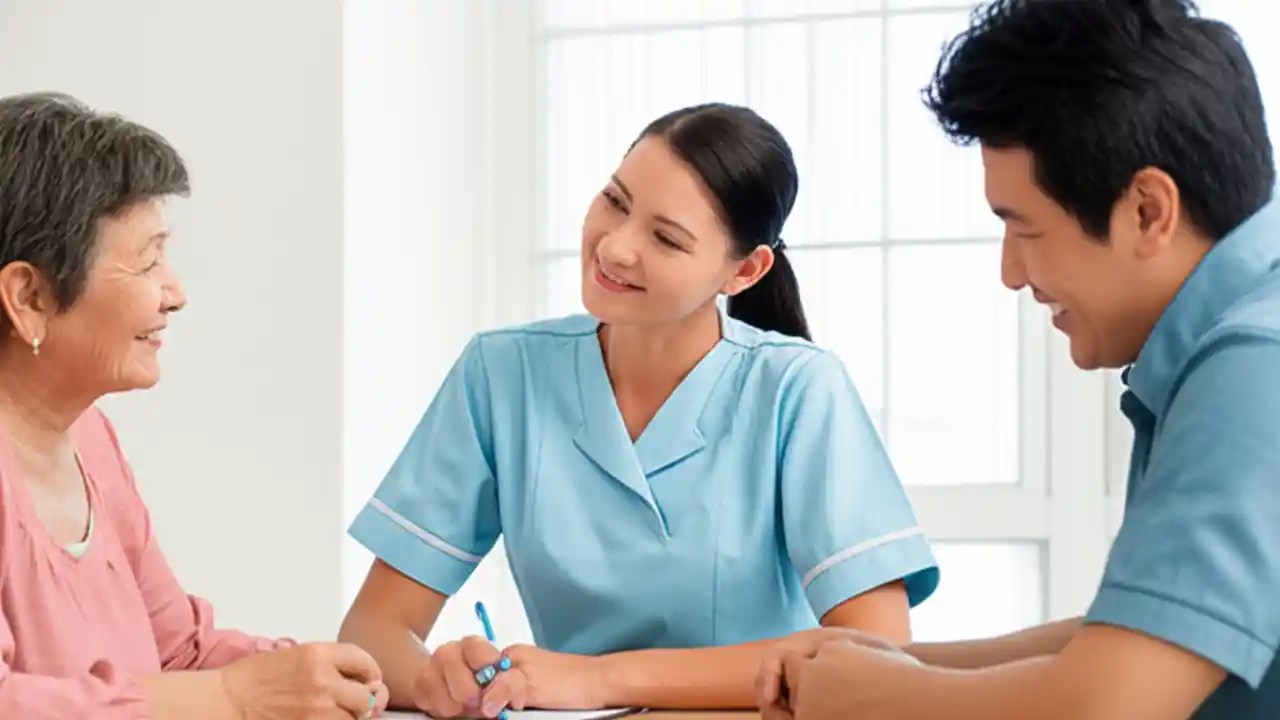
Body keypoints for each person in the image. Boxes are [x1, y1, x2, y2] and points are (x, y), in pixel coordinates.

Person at [756, 0, 1280, 718]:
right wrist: (894, 661)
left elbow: (1106, 704)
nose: (1011, 273)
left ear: (1147, 211)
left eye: (1024, 229)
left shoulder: (1255, 366)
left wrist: (870, 694)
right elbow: (1139, 640)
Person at [340, 102, 939, 718]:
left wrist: (604, 679)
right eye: (615, 201)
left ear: (745, 271)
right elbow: (374, 631)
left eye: (666, 238)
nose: (615, 246)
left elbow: (877, 651)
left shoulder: (799, 389)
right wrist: (440, 681)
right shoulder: (501, 374)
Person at [0, 92, 390, 719]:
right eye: (147, 261)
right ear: (30, 297)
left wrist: (334, 675)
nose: (175, 293)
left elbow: (177, 652)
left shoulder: (91, 440)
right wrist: (235, 697)